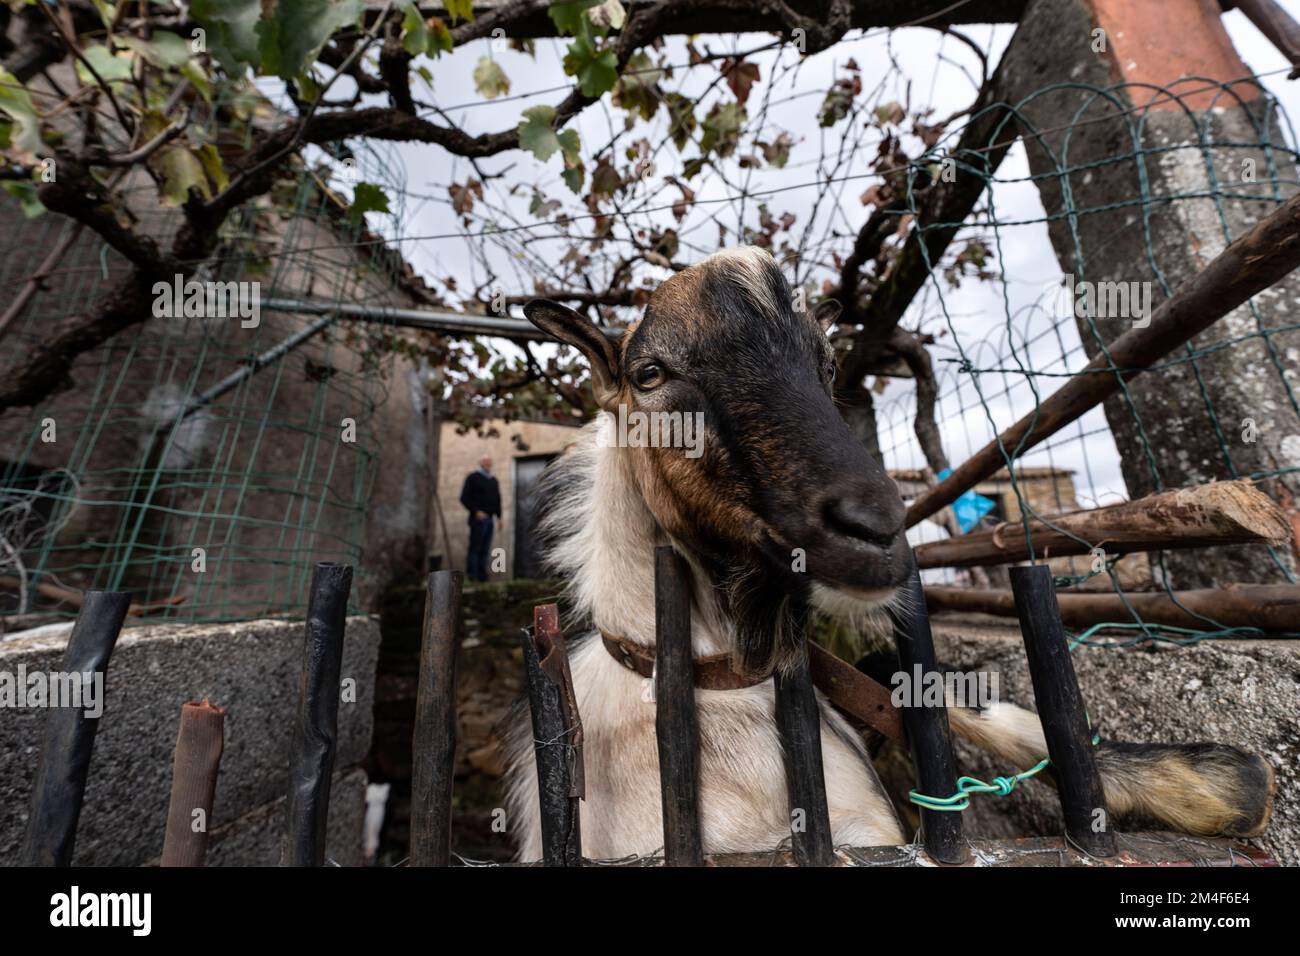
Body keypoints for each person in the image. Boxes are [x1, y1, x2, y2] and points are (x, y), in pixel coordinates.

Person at [459, 455, 501, 582]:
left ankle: (482, 577)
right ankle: (473, 576)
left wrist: (499, 517)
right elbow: (464, 498)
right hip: (478, 519)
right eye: (485, 461)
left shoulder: (494, 480)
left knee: (485, 548)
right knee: (475, 548)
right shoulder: (472, 478)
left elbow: (498, 500)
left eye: (490, 462)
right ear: (480, 463)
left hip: (490, 519)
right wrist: (476, 511)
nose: (488, 463)